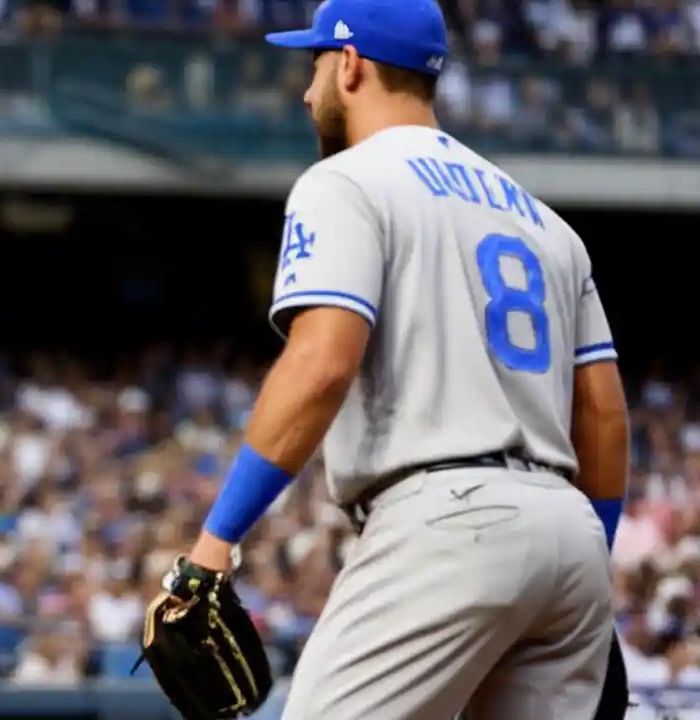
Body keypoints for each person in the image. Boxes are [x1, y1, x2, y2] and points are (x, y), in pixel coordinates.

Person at [158, 0, 629, 717]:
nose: (306, 89)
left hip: (449, 524)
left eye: (313, 64)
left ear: (349, 64)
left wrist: (215, 542)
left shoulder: (346, 180)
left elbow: (322, 364)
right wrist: (591, 559)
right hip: (570, 534)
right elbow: (603, 415)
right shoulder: (546, 223)